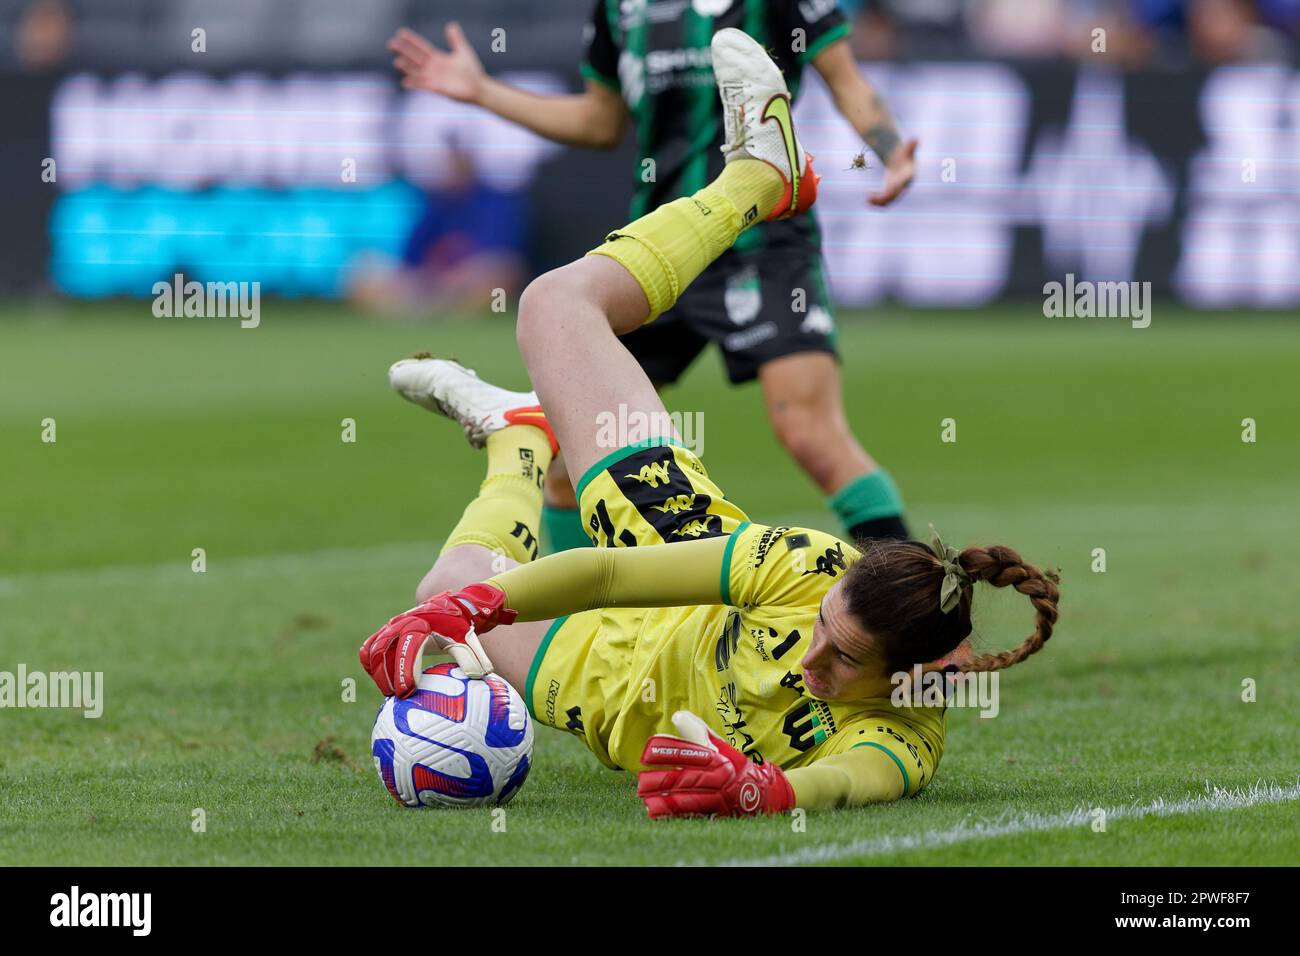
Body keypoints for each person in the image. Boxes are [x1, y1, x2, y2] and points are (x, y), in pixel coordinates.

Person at [361, 29, 1059, 817]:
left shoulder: (906, 734)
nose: (813, 657)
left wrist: (767, 788)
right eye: (826, 630)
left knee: (440, 583)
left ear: (906, 679)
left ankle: (520, 435)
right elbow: (608, 575)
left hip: (608, 689)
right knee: (553, 305)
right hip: (672, 538)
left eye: (845, 660)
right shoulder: (809, 568)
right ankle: (759, 177)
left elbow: (845, 783)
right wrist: (480, 612)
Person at [387, 1, 920, 556]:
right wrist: (482, 91)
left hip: (762, 245)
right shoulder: (619, 8)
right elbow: (599, 121)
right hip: (662, 244)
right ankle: (587, 623)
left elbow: (848, 80)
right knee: (569, 466)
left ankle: (923, 621)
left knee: (811, 435)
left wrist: (889, 149)